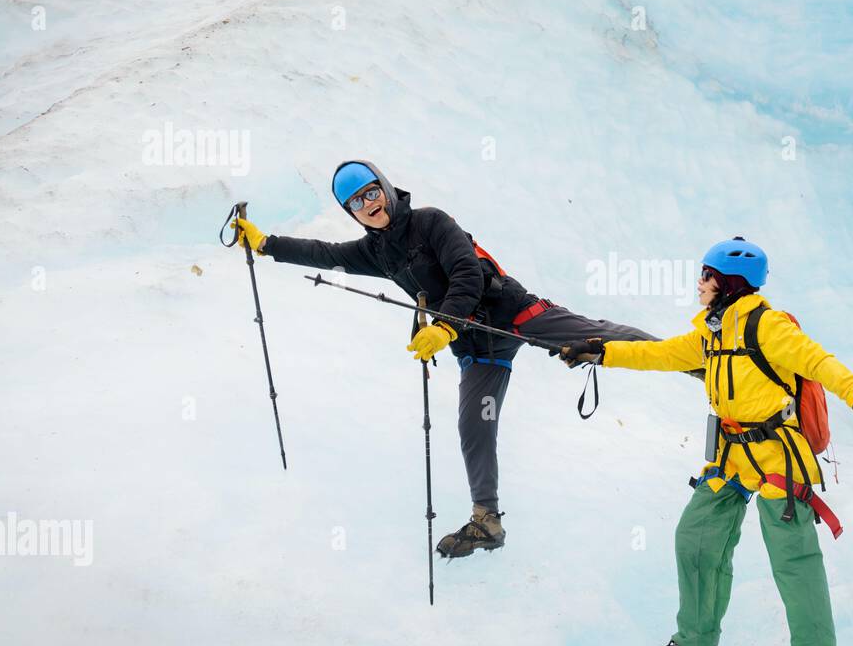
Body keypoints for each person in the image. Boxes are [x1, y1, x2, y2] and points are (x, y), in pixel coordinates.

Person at [232, 160, 657, 557]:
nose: (368, 204)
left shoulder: (431, 222)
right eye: (356, 202)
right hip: (478, 348)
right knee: (475, 425)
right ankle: (486, 521)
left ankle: (688, 357)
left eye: (371, 191)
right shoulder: (374, 252)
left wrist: (445, 325)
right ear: (351, 212)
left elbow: (468, 274)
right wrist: (267, 244)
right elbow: (324, 254)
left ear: (385, 188)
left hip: (513, 313)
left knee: (595, 337)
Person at [558, 237, 853, 646]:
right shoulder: (712, 334)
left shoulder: (768, 327)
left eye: (706, 275)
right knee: (695, 537)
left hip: (779, 456)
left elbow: (822, 363)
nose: (699, 284)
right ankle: (696, 643)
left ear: (728, 283)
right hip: (732, 455)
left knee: (793, 561)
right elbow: (662, 354)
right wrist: (602, 352)